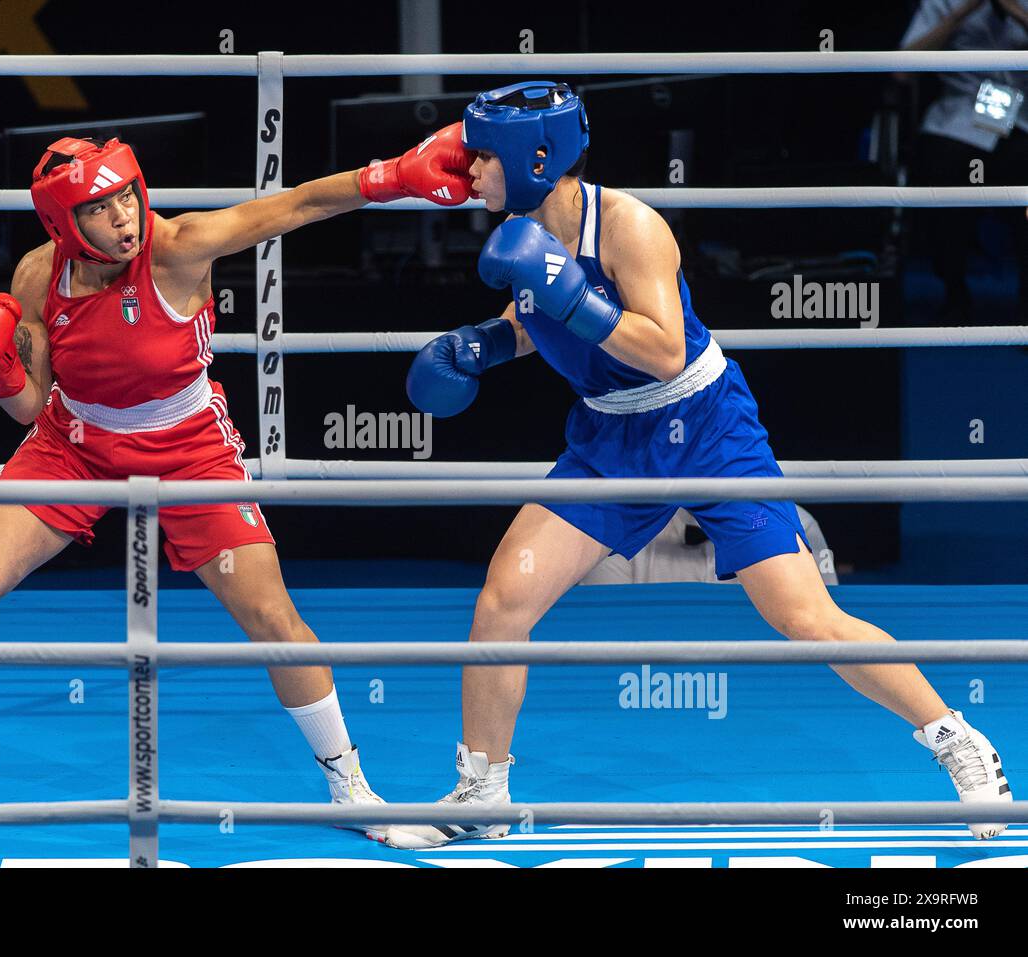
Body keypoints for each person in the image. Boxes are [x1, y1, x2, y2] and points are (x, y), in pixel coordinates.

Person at [388, 81, 1013, 848]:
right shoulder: (525, 232)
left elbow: (663, 349)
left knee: (803, 615)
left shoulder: (631, 227)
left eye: (483, 155)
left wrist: (566, 290)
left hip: (706, 426)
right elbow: (534, 317)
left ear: (536, 158)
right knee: (503, 597)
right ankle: (480, 792)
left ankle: (960, 743)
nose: (468, 169)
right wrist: (484, 344)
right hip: (609, 441)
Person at [0, 133, 474, 840]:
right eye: (100, 208)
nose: (124, 218)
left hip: (189, 450)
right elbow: (31, 404)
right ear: (63, 222)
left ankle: (353, 789)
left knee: (273, 621)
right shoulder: (37, 277)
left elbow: (294, 206)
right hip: (75, 441)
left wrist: (394, 176)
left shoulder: (178, 246)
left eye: (128, 196)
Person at [900, 0, 1028, 322]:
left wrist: (1016, 13)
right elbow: (902, 68)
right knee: (941, 173)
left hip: (1023, 118)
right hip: (959, 116)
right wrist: (961, 14)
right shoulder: (942, 1)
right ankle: (954, 291)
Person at [582, 505, 837, 585]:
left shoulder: (798, 526)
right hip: (644, 683)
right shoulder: (611, 528)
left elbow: (822, 635)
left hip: (760, 688)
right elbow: (608, 629)